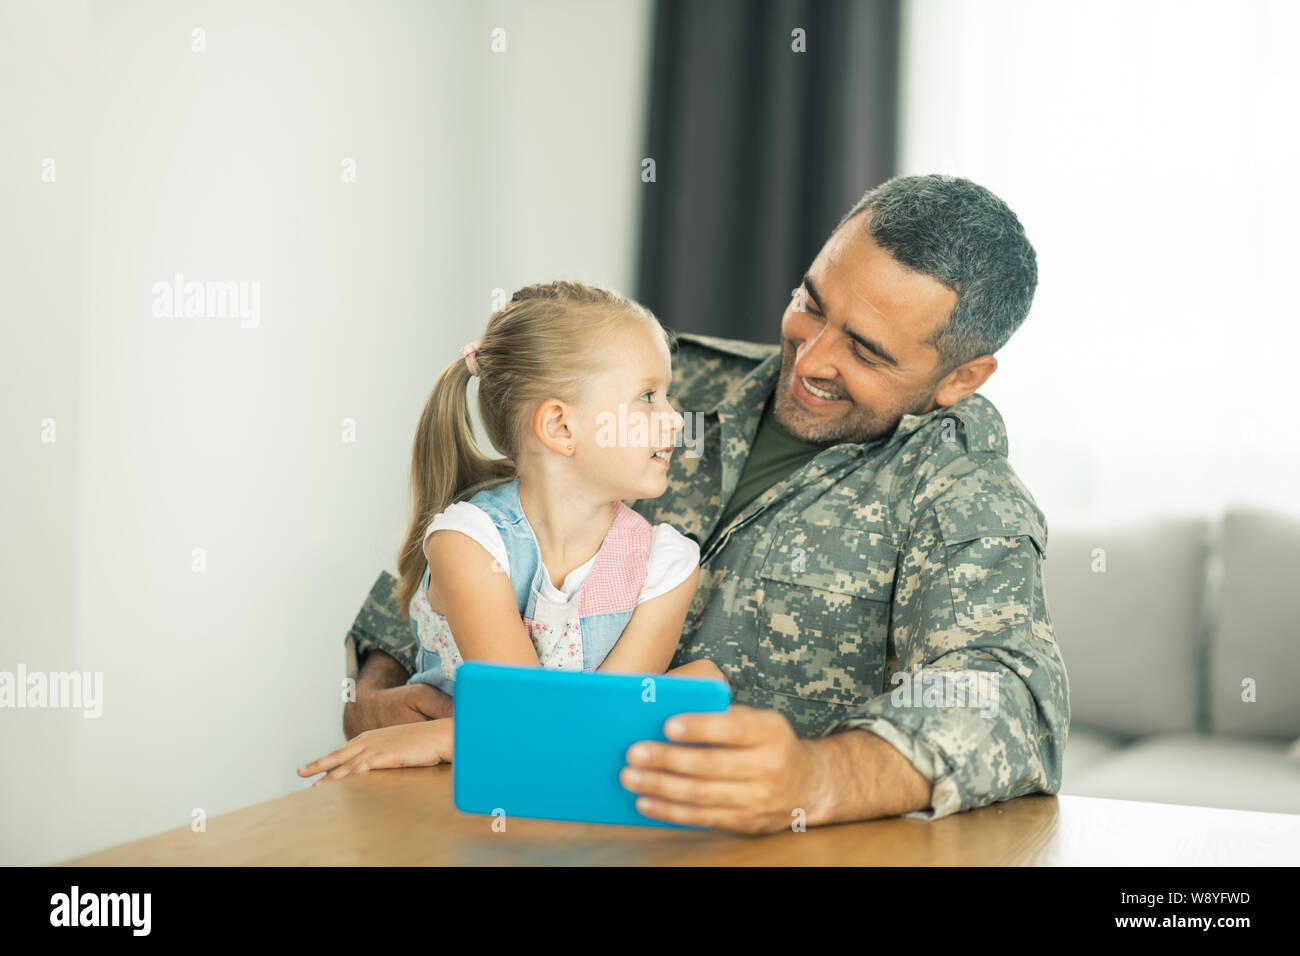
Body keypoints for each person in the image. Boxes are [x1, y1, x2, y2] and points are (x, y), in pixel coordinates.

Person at [313, 174, 1070, 834]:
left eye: (866, 350)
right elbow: (473, 536)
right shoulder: (681, 395)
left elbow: (1010, 701)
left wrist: (819, 779)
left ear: (961, 378)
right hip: (494, 814)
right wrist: (378, 690)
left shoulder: (957, 496)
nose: (808, 360)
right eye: (811, 303)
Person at [299, 280, 722, 776]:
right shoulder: (468, 545)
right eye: (648, 397)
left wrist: (444, 735)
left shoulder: (666, 565)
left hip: (565, 793)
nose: (675, 421)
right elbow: (535, 716)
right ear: (560, 428)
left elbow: (595, 725)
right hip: (447, 796)